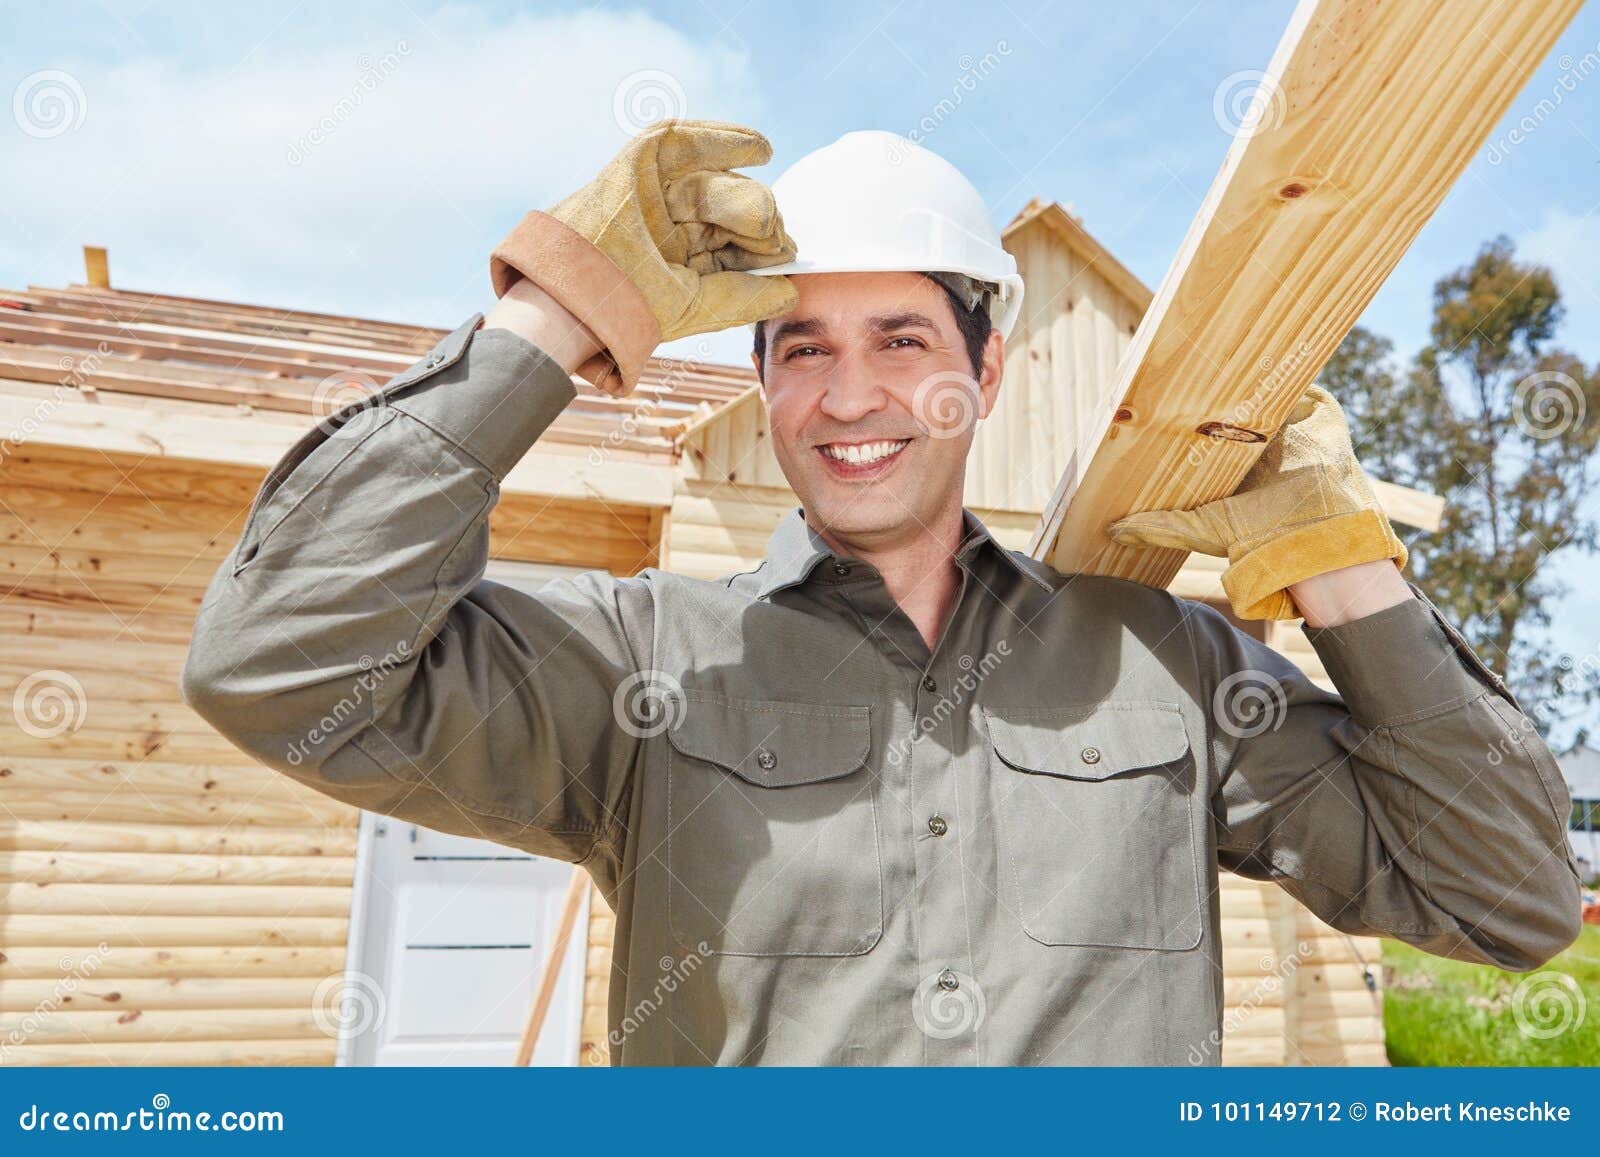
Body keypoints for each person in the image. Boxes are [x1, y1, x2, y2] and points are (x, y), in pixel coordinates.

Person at [181, 119, 1581, 1065]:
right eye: (801, 348)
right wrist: (557, 311)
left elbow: (1510, 899)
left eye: (903, 337)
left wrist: (1338, 561)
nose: (849, 395)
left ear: (985, 374)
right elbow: (275, 664)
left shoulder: (1167, 668)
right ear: (762, 382)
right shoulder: (640, 664)